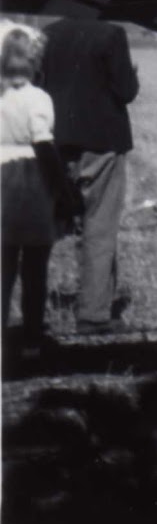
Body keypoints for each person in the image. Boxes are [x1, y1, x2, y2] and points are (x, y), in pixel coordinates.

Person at [37, 18, 139, 334]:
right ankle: (93, 314)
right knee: (99, 227)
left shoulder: (48, 33)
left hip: (55, 141)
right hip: (103, 142)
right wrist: (133, 76)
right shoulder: (112, 34)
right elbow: (126, 91)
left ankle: (31, 314)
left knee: (42, 230)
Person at [1, 25, 81, 356]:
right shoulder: (38, 99)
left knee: (3, 267)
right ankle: (33, 337)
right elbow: (44, 146)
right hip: (29, 182)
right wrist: (64, 192)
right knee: (35, 267)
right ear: (34, 62)